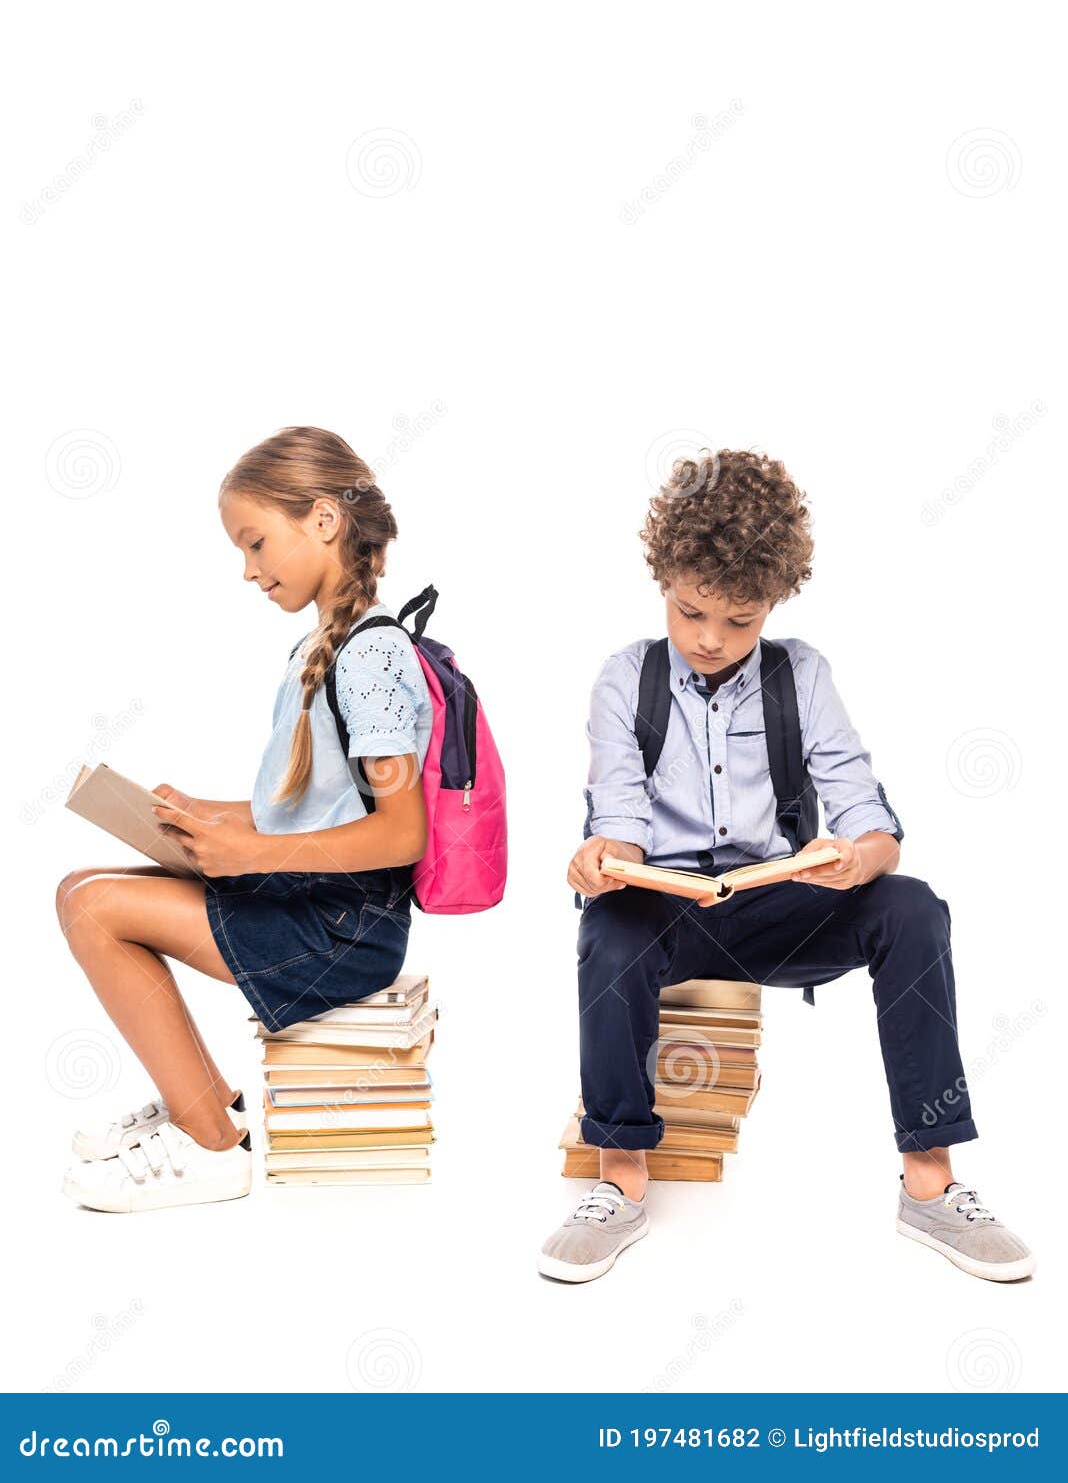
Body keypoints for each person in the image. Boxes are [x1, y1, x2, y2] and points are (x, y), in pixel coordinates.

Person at [538, 448, 1034, 1284]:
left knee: (913, 907)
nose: (709, 639)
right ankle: (618, 1180)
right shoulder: (627, 679)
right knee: (607, 935)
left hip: (776, 905)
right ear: (663, 575)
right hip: (664, 911)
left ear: (775, 599)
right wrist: (602, 861)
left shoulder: (801, 673)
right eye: (692, 611)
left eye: (740, 621)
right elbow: (617, 817)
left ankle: (931, 1183)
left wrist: (855, 859)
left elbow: (869, 815)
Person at [58, 425, 432, 1212]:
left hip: (342, 929)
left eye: (256, 542)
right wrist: (209, 817)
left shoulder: (371, 655)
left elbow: (402, 832)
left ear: (324, 521)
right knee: (79, 887)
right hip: (318, 904)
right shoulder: (326, 646)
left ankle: (212, 1149)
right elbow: (316, 805)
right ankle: (204, 1100)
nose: (248, 569)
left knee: (95, 909)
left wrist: (248, 850)